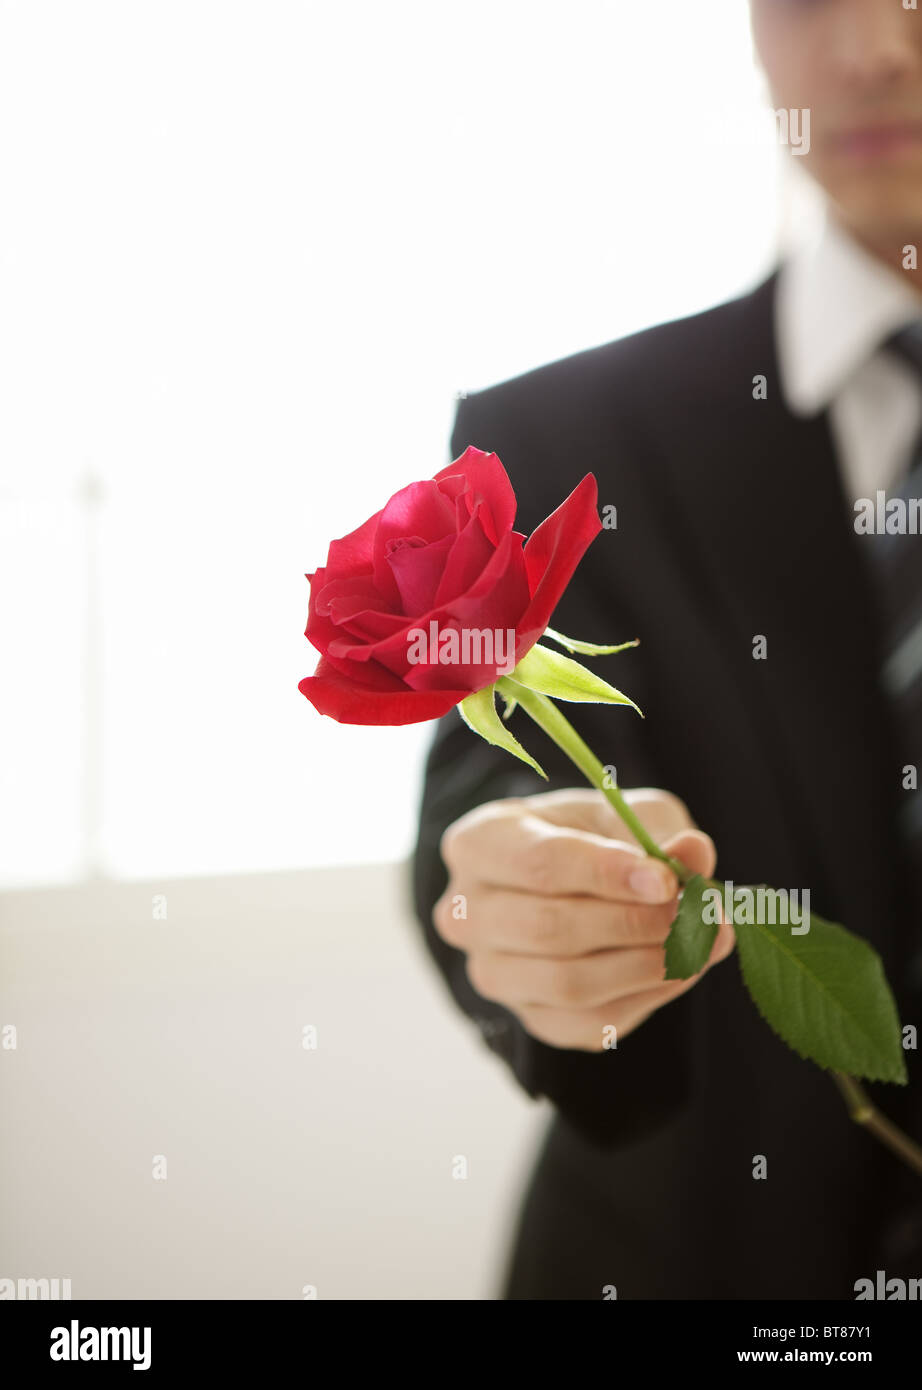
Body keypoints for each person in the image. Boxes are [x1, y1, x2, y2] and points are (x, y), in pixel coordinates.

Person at [411, 0, 922, 1300]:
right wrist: (526, 900)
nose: (865, 51)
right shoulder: (566, 432)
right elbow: (504, 786)